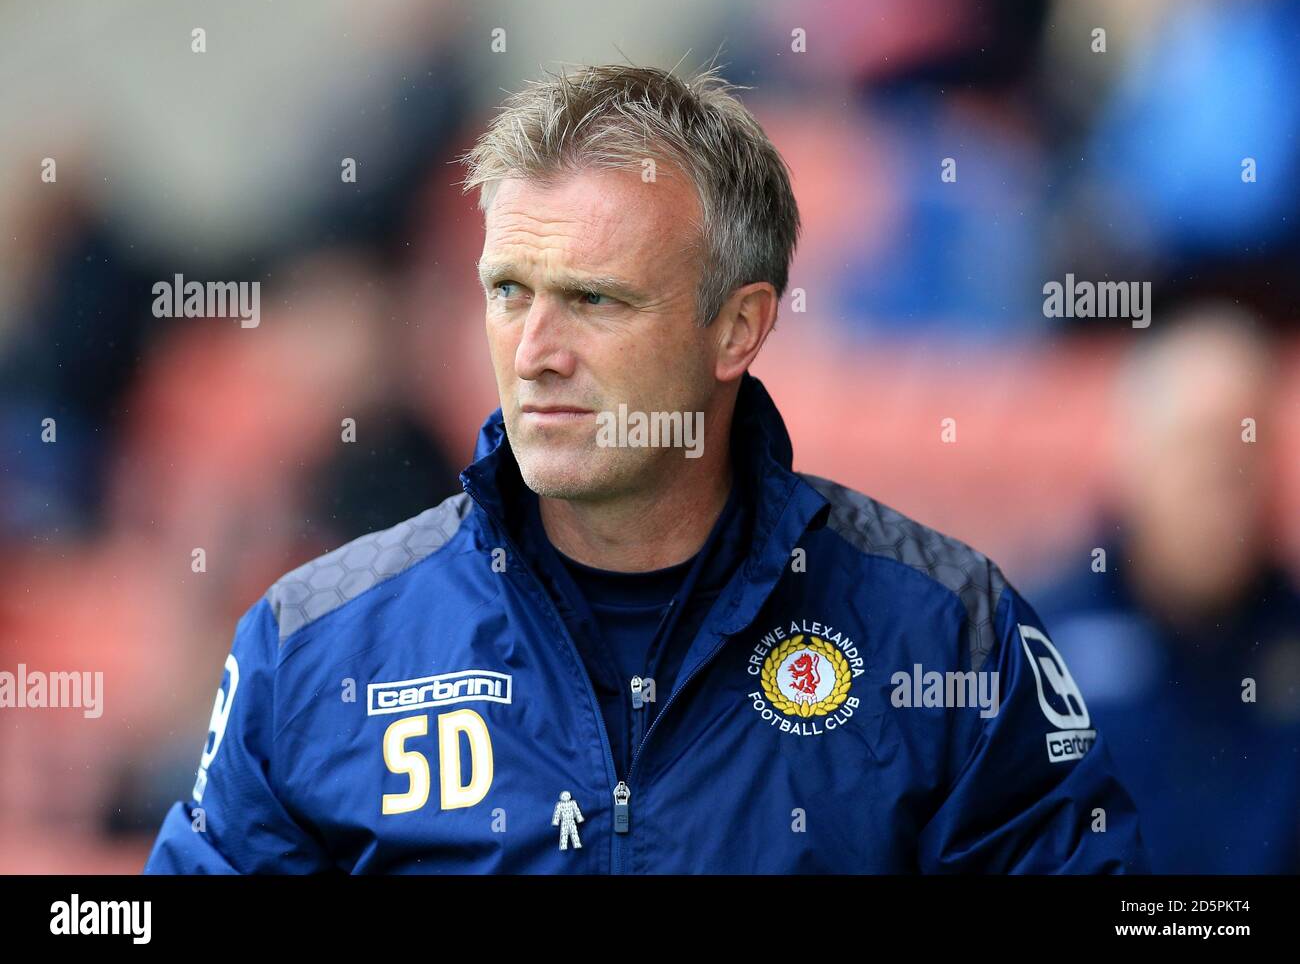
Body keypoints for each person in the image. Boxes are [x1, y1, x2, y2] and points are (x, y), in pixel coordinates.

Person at [143, 63, 1147, 873]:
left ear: (737, 327)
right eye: (507, 292)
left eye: (593, 300)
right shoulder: (314, 646)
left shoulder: (945, 631)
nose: (534, 348)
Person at [1033, 306, 1300, 873]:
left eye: (1243, 450)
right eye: (1197, 447)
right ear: (1136, 455)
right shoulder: (1036, 641)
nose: (1220, 482)